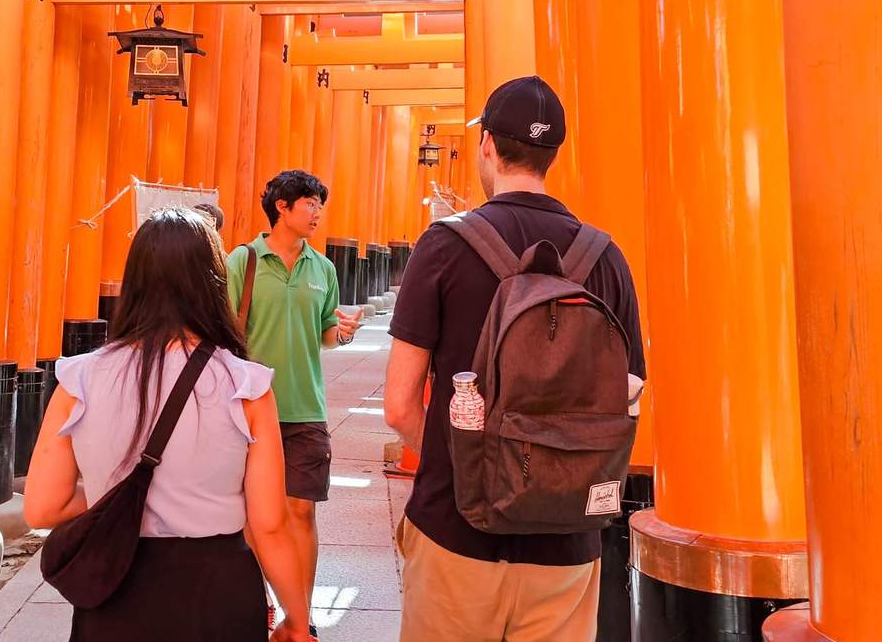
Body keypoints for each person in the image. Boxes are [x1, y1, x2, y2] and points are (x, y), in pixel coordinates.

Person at [384, 77, 646, 642]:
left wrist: (474, 466)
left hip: (457, 533)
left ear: (486, 146)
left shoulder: (444, 246)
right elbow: (626, 395)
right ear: (554, 154)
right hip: (568, 547)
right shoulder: (605, 258)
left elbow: (400, 405)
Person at [25, 207, 312, 642]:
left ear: (135, 280)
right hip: (217, 592)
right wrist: (296, 617)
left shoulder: (78, 379)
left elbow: (42, 508)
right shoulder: (246, 385)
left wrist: (115, 493)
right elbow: (269, 524)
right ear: (212, 283)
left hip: (114, 588)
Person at [225, 170, 363, 640]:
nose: (318, 212)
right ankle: (257, 603)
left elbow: (326, 336)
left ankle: (298, 618)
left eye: (320, 204)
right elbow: (222, 333)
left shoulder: (323, 269)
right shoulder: (241, 262)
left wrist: (343, 331)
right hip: (247, 408)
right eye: (309, 203)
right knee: (254, 517)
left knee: (301, 510)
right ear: (281, 207)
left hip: (306, 407)